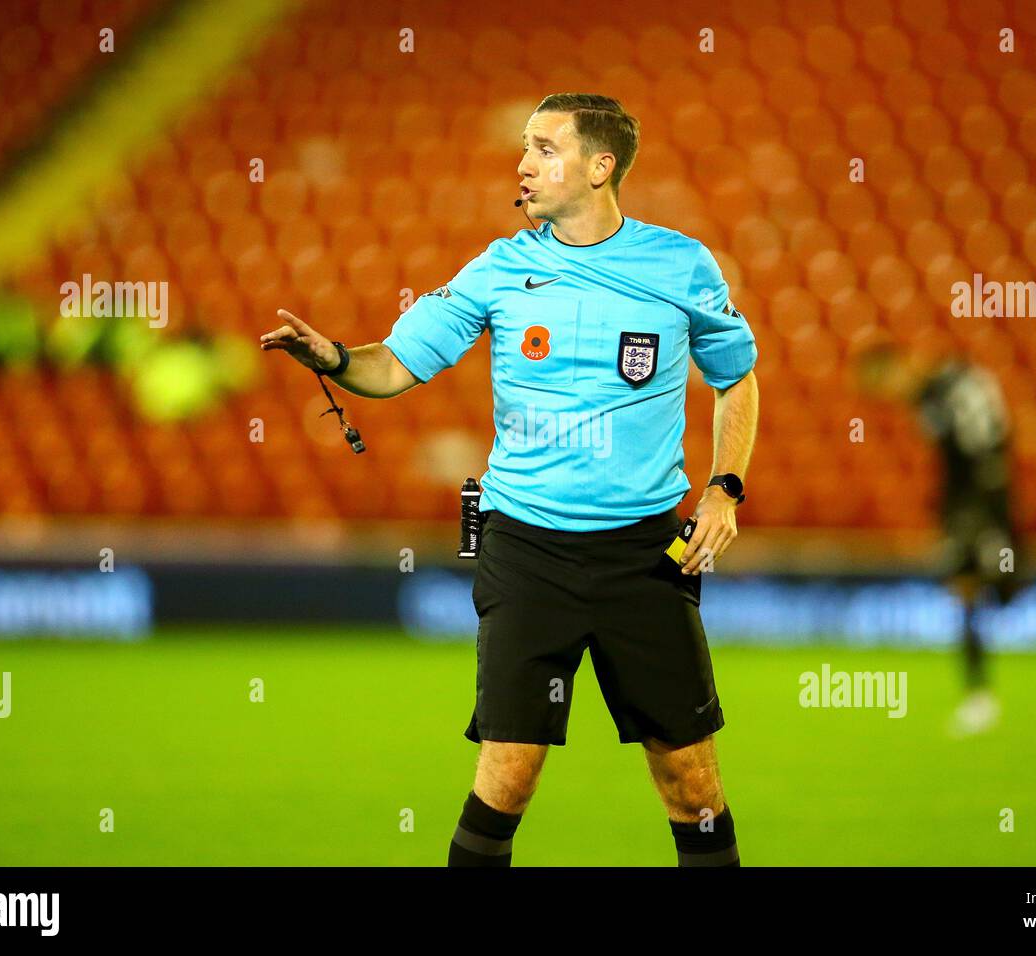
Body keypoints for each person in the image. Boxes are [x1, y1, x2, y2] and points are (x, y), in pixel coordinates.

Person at [261, 93, 759, 865]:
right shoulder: (500, 268)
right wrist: (331, 359)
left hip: (647, 555)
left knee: (689, 781)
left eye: (544, 148)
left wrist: (725, 487)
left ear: (600, 167)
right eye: (525, 147)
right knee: (509, 773)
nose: (523, 164)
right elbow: (392, 365)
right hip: (526, 548)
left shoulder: (681, 265)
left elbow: (737, 379)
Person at [855, 334, 1019, 737]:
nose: (886, 395)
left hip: (983, 500)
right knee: (966, 588)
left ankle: (980, 694)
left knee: (994, 587)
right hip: (973, 499)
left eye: (883, 383)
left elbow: (978, 449)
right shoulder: (939, 390)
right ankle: (978, 694)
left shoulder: (947, 390)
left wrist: (968, 512)